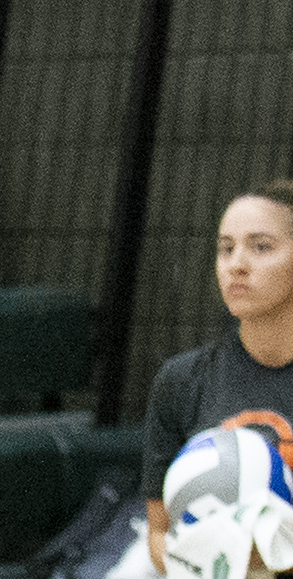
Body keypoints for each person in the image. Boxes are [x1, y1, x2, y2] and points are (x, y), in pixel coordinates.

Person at [139, 182, 293, 575]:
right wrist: (210, 562)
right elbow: (159, 533)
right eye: (226, 248)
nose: (236, 264)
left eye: (261, 247)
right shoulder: (181, 380)